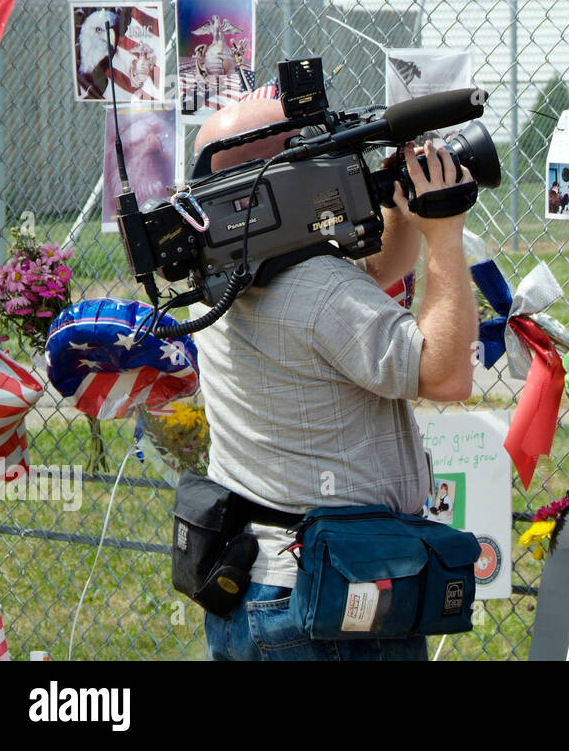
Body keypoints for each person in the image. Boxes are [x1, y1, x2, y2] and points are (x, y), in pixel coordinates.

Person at [191, 96, 477, 661]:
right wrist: (443, 232)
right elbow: (445, 375)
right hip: (325, 600)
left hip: (254, 581)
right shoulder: (318, 289)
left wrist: (396, 203)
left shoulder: (225, 269)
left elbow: (371, 278)